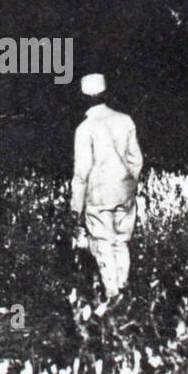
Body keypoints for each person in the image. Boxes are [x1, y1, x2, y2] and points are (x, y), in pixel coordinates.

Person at [70, 73, 143, 309]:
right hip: (125, 191)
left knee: (103, 243)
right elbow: (136, 160)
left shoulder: (85, 128)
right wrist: (130, 184)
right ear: (104, 94)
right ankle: (123, 290)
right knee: (122, 241)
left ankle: (113, 296)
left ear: (83, 98)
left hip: (98, 194)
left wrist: (76, 206)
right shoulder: (125, 120)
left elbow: (82, 171)